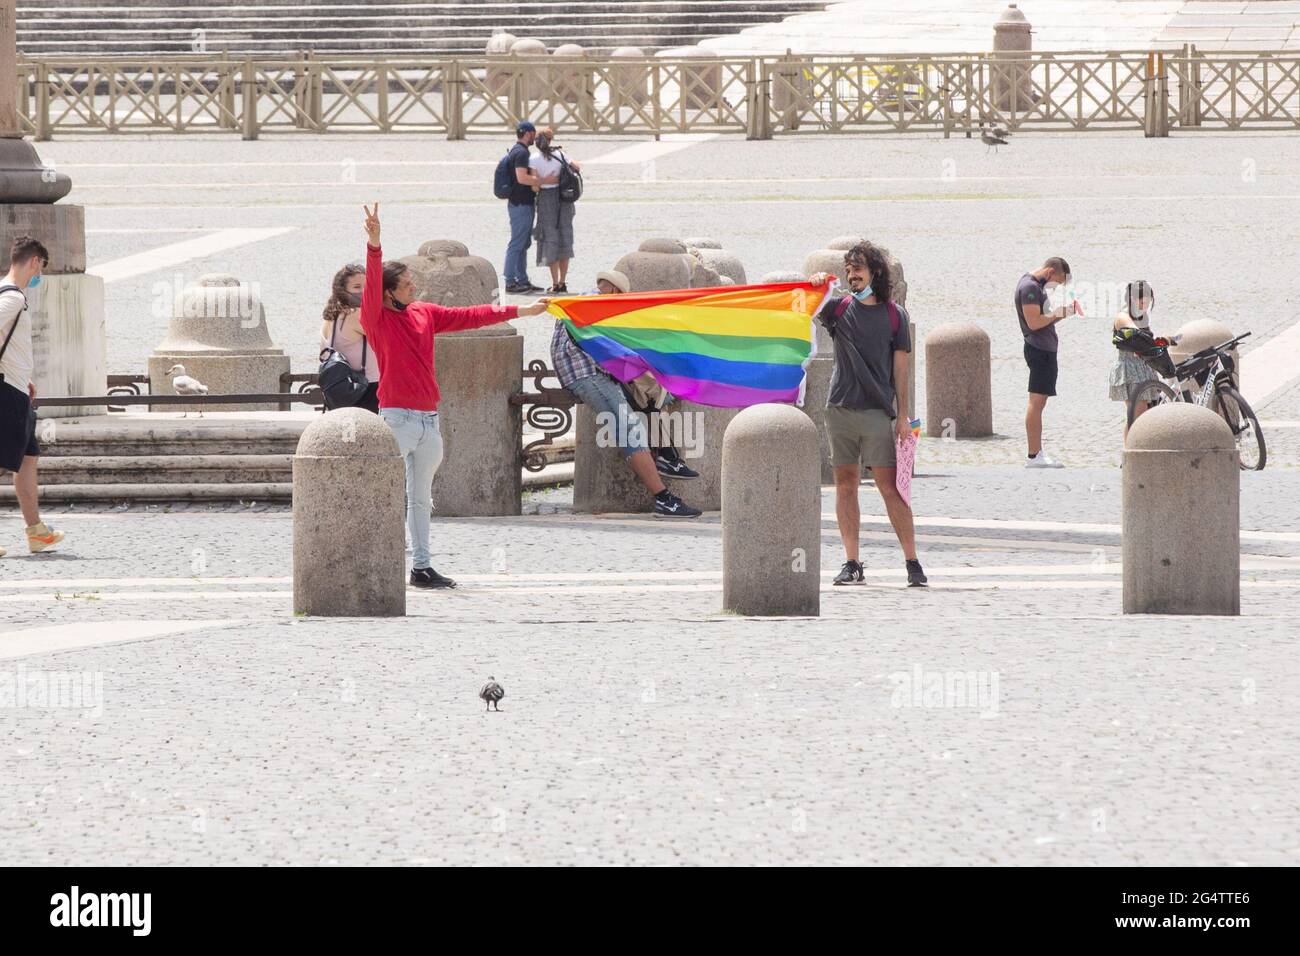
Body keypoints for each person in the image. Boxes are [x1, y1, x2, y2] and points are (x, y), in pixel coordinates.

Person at [361, 202, 551, 588]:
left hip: (428, 420)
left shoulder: (425, 313)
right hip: (396, 417)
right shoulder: (377, 318)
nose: (415, 287)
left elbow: (473, 315)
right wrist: (375, 242)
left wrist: (523, 311)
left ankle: (422, 567)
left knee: (421, 499)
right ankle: (373, 561)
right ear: (389, 293)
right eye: (408, 284)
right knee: (384, 494)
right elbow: (370, 284)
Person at [810, 241, 926, 588]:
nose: (851, 275)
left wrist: (903, 417)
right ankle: (852, 562)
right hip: (840, 409)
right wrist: (815, 283)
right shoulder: (839, 309)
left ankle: (912, 562)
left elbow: (901, 370)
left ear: (874, 271)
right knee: (845, 487)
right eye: (847, 270)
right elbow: (800, 303)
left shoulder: (895, 316)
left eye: (857, 268)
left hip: (878, 413)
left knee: (890, 489)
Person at [549, 269, 702, 518]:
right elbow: (607, 350)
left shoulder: (587, 299)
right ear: (613, 291)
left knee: (655, 392)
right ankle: (664, 499)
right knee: (629, 427)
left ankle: (666, 454)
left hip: (590, 370)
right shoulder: (596, 304)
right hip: (585, 374)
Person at [0, 235, 64, 557]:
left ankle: (36, 532)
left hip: (16, 388)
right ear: (35, 261)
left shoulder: (10, 295)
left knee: (27, 458)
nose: (40, 276)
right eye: (42, 268)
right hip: (6, 391)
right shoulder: (11, 299)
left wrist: (24, 379)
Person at [1015, 256, 1079, 468]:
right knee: (1036, 402)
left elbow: (1042, 319)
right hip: (1039, 350)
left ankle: (1037, 453)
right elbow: (1034, 323)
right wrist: (1057, 314)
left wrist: (1063, 313)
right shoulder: (1030, 288)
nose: (1055, 287)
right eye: (1057, 283)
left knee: (1040, 402)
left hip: (1044, 350)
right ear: (1050, 272)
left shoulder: (1034, 287)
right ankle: (1034, 455)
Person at [320, 263, 380, 413]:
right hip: (365, 387)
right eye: (357, 287)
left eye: (367, 286)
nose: (364, 291)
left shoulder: (331, 317)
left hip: (341, 387)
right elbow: (386, 335)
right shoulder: (354, 314)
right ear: (343, 291)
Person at [528, 126, 580, 293]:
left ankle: (555, 282)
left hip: (546, 200)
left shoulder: (534, 158)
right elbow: (577, 167)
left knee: (550, 239)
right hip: (564, 200)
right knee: (565, 238)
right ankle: (563, 282)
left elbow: (535, 187)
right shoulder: (561, 155)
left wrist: (544, 180)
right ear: (551, 140)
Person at [1109, 280, 1159, 441]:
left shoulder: (1143, 317)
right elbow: (1136, 333)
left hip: (1144, 368)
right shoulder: (1123, 316)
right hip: (1129, 369)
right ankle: (1130, 453)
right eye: (1142, 300)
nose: (1145, 304)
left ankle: (1135, 450)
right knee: (1137, 412)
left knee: (1143, 413)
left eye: (1148, 300)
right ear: (1131, 298)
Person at [503, 120, 544, 295]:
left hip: (520, 203)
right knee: (517, 243)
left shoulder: (517, 151)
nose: (535, 137)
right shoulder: (521, 153)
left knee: (523, 243)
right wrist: (541, 181)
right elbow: (521, 178)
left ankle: (522, 279)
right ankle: (510, 280)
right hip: (520, 204)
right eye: (533, 134)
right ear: (528, 133)